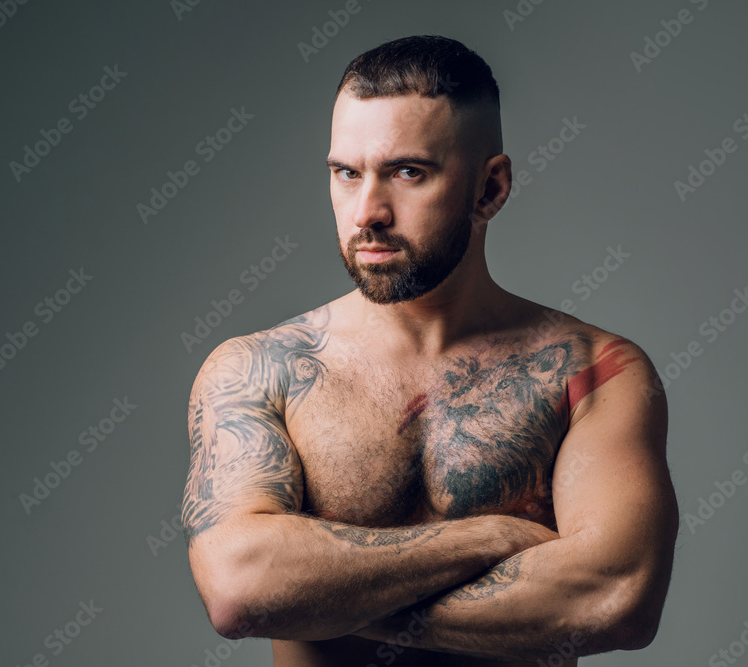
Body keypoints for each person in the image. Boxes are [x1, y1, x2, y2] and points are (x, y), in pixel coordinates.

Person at [183, 34, 679, 666]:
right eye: (346, 173)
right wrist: (488, 538)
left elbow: (617, 598)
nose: (367, 212)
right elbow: (242, 589)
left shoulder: (591, 372)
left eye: (408, 172)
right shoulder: (261, 370)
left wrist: (322, 600)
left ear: (490, 189)